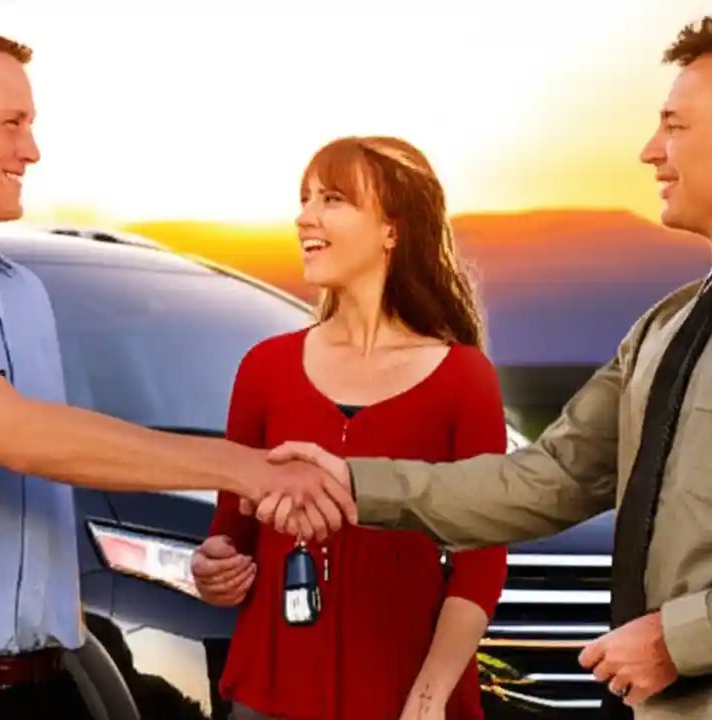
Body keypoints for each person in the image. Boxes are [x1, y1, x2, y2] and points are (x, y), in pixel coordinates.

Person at [257, 9, 712, 720]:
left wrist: (679, 640)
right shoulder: (666, 327)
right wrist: (352, 484)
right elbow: (546, 479)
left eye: (676, 125)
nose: (651, 150)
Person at [0, 19, 349, 720]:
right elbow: (24, 437)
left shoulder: (24, 295)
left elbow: (61, 469)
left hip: (54, 684)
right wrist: (247, 468)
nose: (32, 148)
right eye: (12, 122)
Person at [189, 136, 509, 720]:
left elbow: (481, 563)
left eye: (332, 198)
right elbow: (228, 530)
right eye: (305, 198)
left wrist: (432, 692)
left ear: (393, 228)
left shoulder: (464, 378)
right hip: (272, 695)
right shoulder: (265, 368)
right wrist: (215, 567)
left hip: (405, 694)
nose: (304, 216)